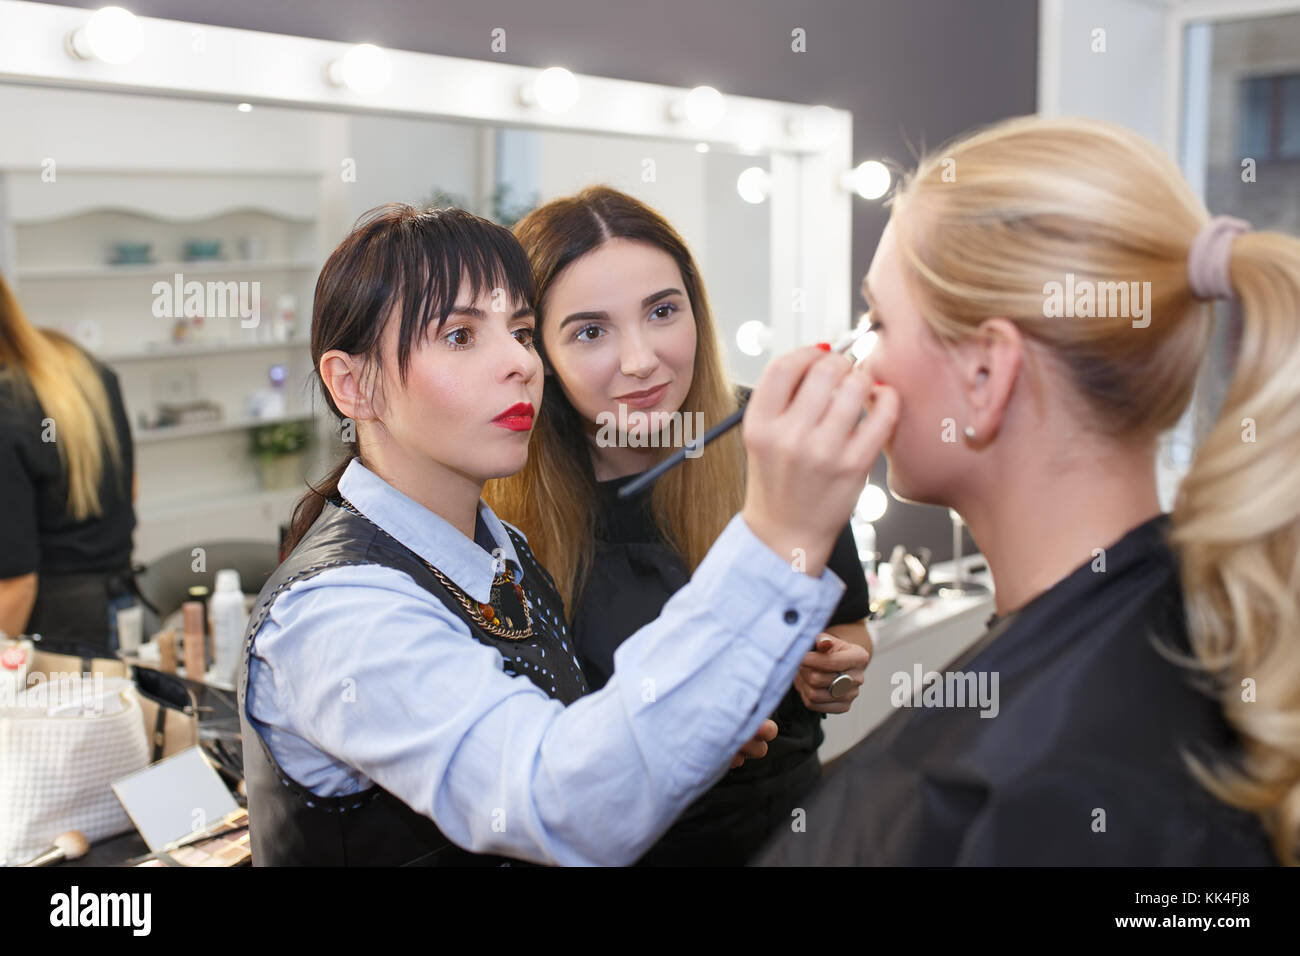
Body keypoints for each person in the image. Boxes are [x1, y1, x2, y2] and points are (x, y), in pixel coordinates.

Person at [237, 203, 897, 866]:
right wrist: (775, 535)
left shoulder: (500, 552)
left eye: (520, 332)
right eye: (462, 337)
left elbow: (578, 745)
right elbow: (558, 804)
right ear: (352, 384)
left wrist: (689, 730)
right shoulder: (340, 612)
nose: (520, 363)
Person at [756, 114, 1295, 865]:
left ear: (986, 375)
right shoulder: (1189, 626)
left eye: (877, 319)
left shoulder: (1025, 783)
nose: (855, 365)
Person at [485, 186, 872, 865]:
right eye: (590, 331)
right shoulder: (500, 506)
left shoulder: (775, 440)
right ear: (536, 349)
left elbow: (845, 634)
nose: (640, 359)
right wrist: (678, 739)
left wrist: (834, 678)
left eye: (662, 312)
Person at [0, 271, 137, 648]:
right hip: (118, 599)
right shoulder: (68, 361)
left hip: (56, 630)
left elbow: (16, 583)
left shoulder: (6, 408)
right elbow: (130, 486)